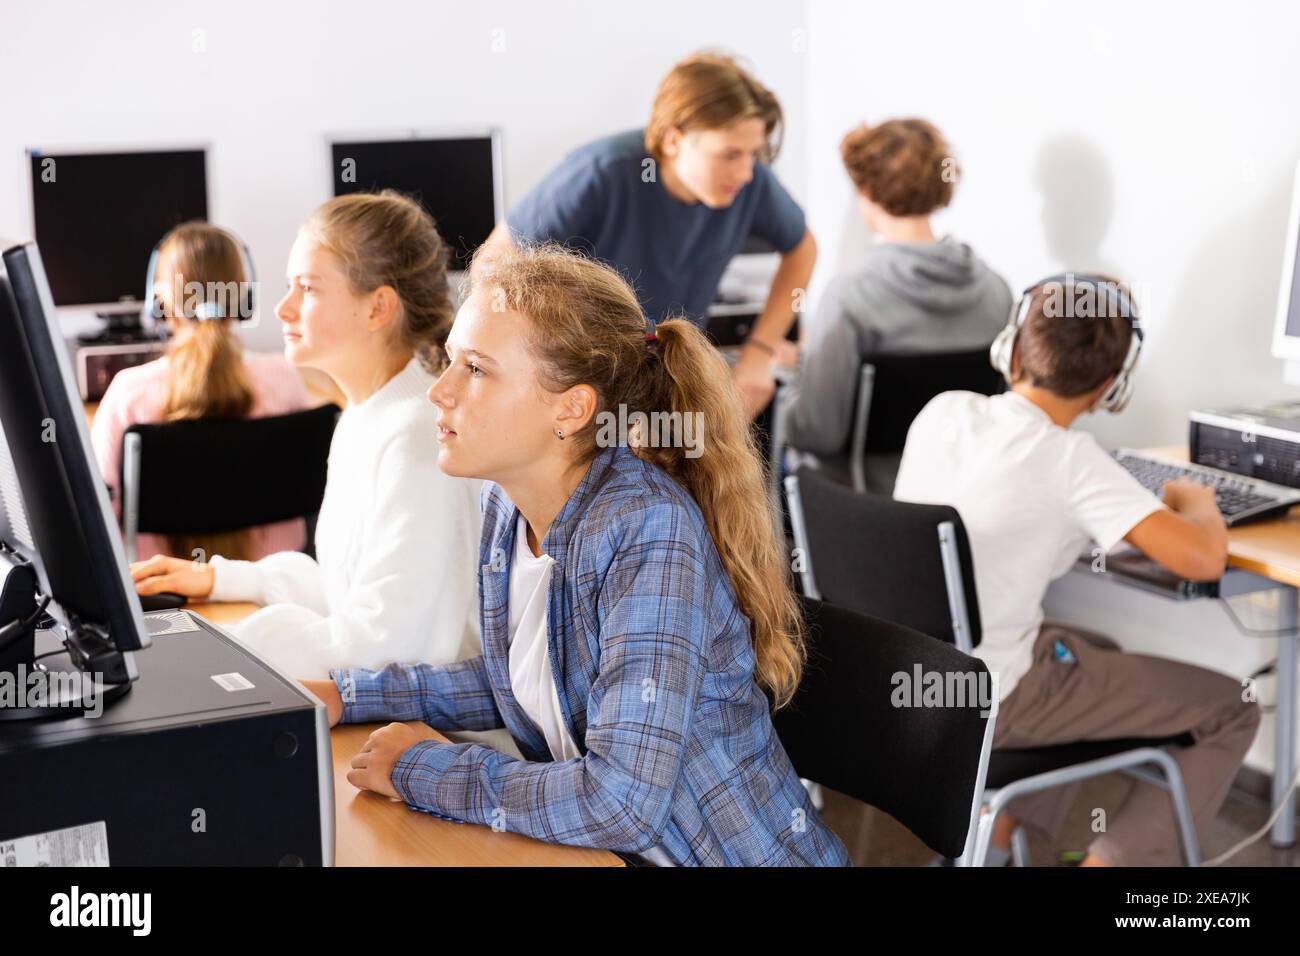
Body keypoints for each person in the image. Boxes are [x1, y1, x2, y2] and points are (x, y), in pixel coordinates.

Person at [304, 245, 850, 866]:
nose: (440, 392)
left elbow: (621, 802)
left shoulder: (646, 528)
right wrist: (351, 694)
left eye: (477, 369)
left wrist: (423, 769)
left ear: (571, 409)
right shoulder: (506, 505)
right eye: (451, 361)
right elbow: (522, 677)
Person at [894, 274, 1260, 866]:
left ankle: (1001, 833)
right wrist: (1199, 503)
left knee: (1091, 647)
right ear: (1109, 389)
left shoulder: (944, 411)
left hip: (907, 684)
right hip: (993, 701)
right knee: (1230, 708)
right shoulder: (1071, 461)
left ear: (1010, 349)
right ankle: (1107, 863)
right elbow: (1203, 558)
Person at [131, 192, 482, 679]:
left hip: (437, 734)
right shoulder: (365, 414)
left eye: (308, 288)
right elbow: (347, 588)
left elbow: (384, 647)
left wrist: (230, 644)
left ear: (378, 307)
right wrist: (220, 577)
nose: (283, 308)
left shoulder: (417, 437)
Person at [482, 51, 816, 419]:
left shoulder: (749, 185)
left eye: (754, 154)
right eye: (730, 154)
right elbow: (494, 264)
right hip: (583, 381)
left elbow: (803, 249)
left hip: (668, 378)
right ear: (674, 140)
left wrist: (760, 351)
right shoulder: (602, 173)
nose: (746, 173)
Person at [785, 118, 1011, 494]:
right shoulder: (996, 292)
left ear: (867, 194)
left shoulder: (848, 297)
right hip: (964, 493)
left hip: (869, 505)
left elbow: (817, 432)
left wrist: (791, 384)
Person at [92, 222, 312, 561]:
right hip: (269, 589)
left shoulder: (128, 395)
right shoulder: (286, 380)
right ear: (243, 294)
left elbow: (99, 512)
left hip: (160, 598)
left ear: (160, 299)